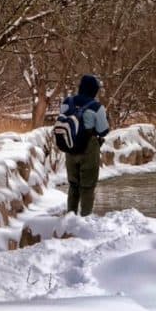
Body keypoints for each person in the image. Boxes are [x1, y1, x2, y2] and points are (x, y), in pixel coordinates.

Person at [61, 74, 109, 216]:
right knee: (87, 187)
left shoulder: (67, 102)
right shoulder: (97, 107)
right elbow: (103, 131)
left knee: (73, 185)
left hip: (70, 148)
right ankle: (85, 218)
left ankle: (71, 217)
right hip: (89, 149)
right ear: (94, 90)